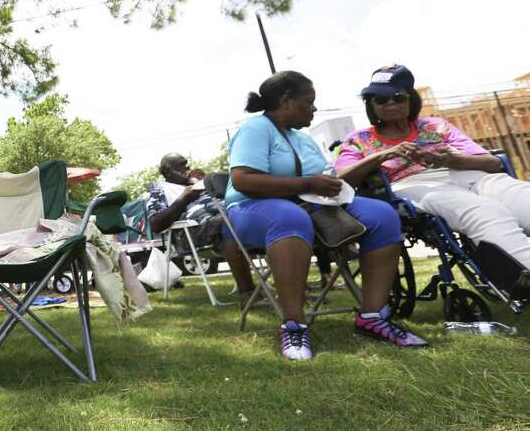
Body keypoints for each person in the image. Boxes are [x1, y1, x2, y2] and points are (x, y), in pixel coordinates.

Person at [222, 70, 428, 360]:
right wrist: (307, 184)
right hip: (251, 207)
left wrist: (370, 161)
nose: (314, 108)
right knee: (289, 217)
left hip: (311, 204)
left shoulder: (303, 139)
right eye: (309, 102)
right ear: (287, 101)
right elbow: (243, 180)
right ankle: (294, 325)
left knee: (382, 214)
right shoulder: (256, 129)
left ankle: (371, 317)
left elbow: (329, 178)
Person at [335, 64, 530, 284]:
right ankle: (524, 271)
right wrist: (384, 155)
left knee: (520, 194)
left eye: (398, 97)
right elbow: (341, 178)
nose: (390, 103)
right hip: (409, 183)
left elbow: (493, 163)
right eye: (380, 99)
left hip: (464, 171)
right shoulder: (358, 139)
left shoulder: (436, 126)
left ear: (411, 100)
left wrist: (451, 159)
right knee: (481, 210)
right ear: (371, 104)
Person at [146, 154, 257, 306]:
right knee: (231, 221)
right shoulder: (160, 188)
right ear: (168, 171)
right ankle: (248, 293)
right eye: (181, 165)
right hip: (193, 231)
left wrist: (209, 182)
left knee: (262, 210)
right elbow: (156, 224)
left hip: (225, 215)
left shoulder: (197, 182)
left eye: (187, 164)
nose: (188, 168)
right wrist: (184, 199)